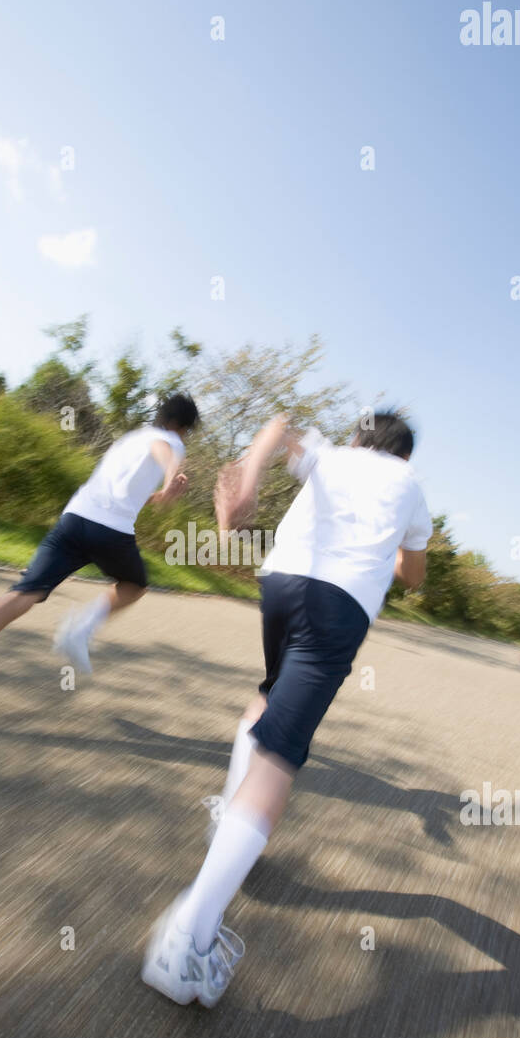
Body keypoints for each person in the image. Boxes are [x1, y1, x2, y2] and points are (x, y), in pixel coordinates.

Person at [141, 409, 432, 1007]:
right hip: (337, 609)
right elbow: (414, 577)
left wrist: (246, 483)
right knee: (280, 759)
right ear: (404, 455)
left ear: (359, 439)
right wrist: (401, 550)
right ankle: (188, 941)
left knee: (267, 697)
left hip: (282, 586)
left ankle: (227, 810)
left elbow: (278, 427)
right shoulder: (410, 486)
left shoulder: (333, 454)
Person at [0, 393, 199, 722]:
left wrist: (159, 489)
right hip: (110, 530)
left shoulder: (130, 439)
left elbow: (133, 476)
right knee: (134, 584)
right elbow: (163, 450)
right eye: (186, 433)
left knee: (24, 593)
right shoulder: (169, 441)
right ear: (182, 427)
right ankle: (79, 629)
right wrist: (170, 481)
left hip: (74, 519)